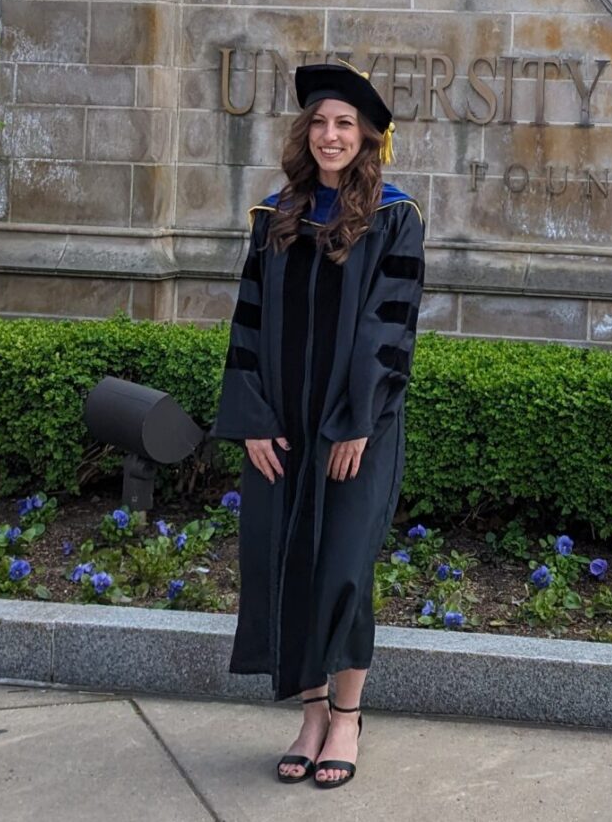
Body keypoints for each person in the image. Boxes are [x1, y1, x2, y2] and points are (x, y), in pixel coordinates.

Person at [210, 62, 425, 790]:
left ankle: (348, 716)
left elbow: (389, 333)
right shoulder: (276, 217)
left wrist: (356, 423)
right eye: (320, 123)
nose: (330, 134)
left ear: (367, 136)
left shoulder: (394, 218)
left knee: (342, 570)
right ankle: (309, 714)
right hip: (281, 429)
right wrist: (252, 420)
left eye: (344, 123)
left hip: (354, 429)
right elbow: (248, 323)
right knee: (283, 566)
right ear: (307, 133)